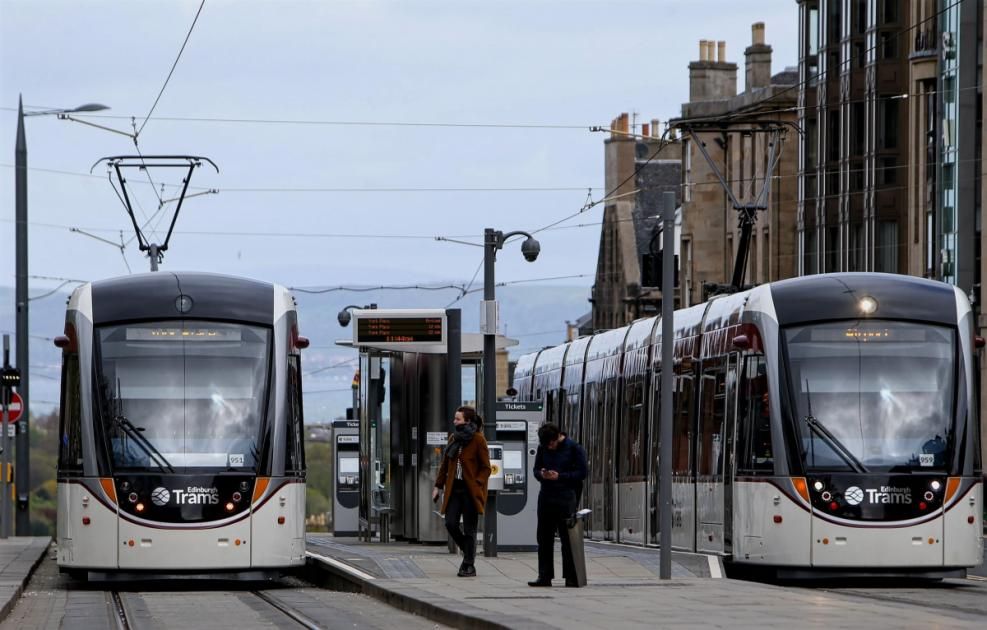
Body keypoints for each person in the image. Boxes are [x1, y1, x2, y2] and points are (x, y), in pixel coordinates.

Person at [432, 406, 491, 577]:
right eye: (455, 418)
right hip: (454, 489)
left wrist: (477, 483)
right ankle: (468, 549)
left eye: (457, 419)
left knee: (470, 528)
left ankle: (469, 565)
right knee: (450, 523)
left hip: (470, 491)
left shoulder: (479, 440)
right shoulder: (454, 438)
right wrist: (438, 486)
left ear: (467, 421)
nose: (454, 421)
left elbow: (486, 468)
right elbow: (445, 465)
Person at [528, 422, 588, 588]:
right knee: (544, 538)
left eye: (552, 444)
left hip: (566, 497)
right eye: (546, 445)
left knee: (567, 539)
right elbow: (535, 469)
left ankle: (571, 577)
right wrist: (542, 474)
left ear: (557, 438)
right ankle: (544, 576)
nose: (550, 447)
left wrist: (560, 476)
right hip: (546, 496)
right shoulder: (543, 448)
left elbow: (582, 473)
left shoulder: (574, 448)